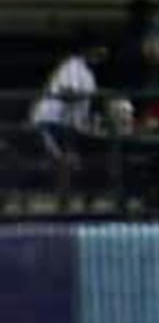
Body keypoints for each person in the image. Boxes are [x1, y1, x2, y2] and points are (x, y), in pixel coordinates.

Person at [30, 42, 110, 210]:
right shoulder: (73, 65)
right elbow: (68, 93)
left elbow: (84, 106)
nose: (101, 56)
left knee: (85, 159)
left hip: (68, 126)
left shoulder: (89, 75)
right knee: (65, 161)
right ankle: (62, 206)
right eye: (98, 51)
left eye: (104, 54)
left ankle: (85, 202)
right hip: (49, 121)